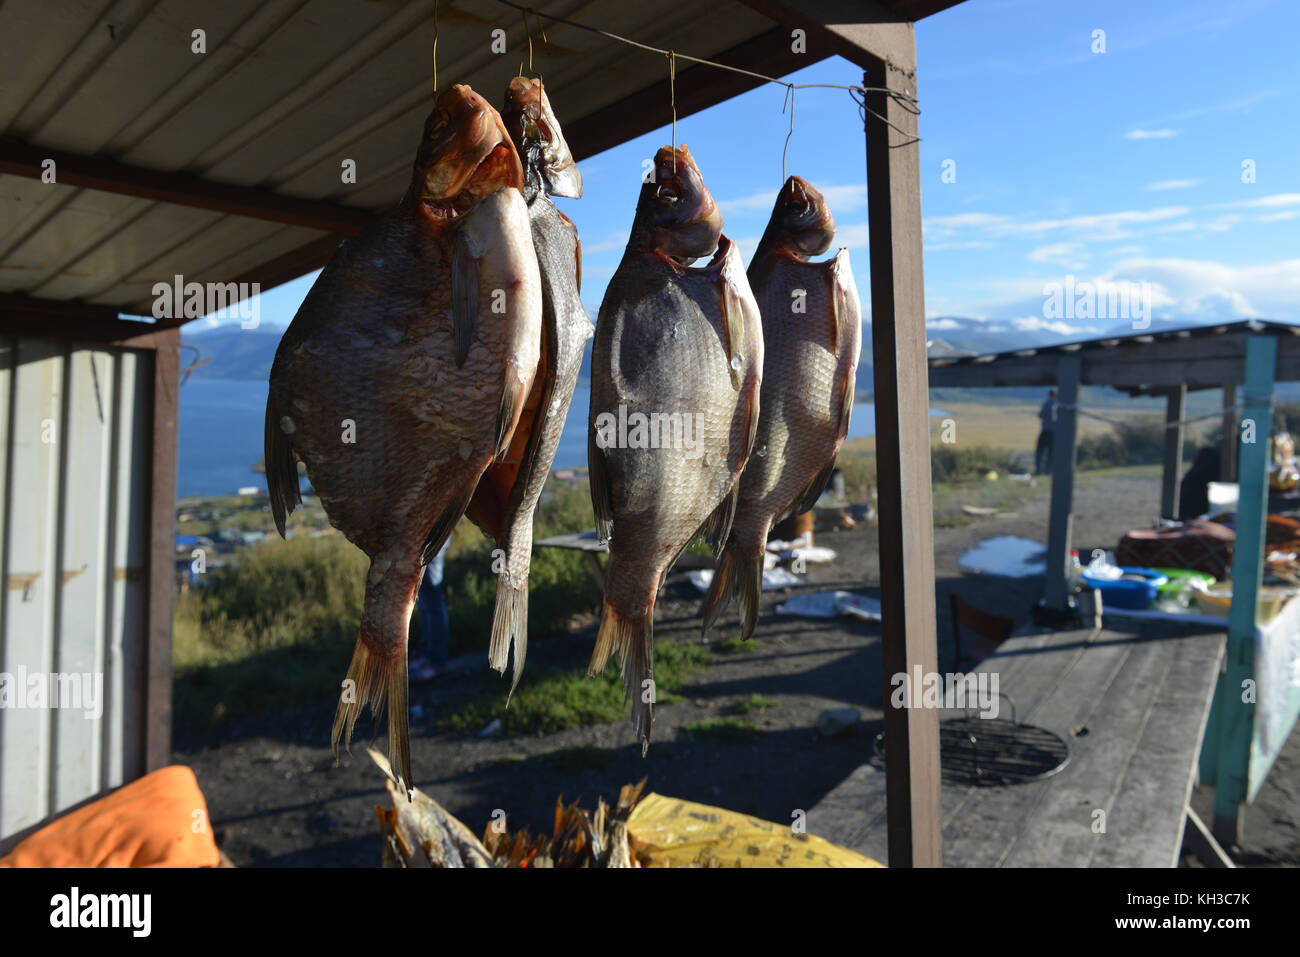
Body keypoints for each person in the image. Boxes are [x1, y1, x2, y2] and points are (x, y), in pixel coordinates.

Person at [410, 540, 450, 683]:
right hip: (424, 538)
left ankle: (437, 662)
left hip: (434, 538)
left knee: (432, 599)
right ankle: (427, 655)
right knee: (424, 598)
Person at [1035, 388, 1059, 475]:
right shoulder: (1059, 404)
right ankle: (1048, 470)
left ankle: (1039, 470)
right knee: (1051, 452)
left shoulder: (1047, 403)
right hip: (1055, 431)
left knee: (1040, 451)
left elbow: (1041, 415)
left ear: (1050, 394)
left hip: (1046, 430)